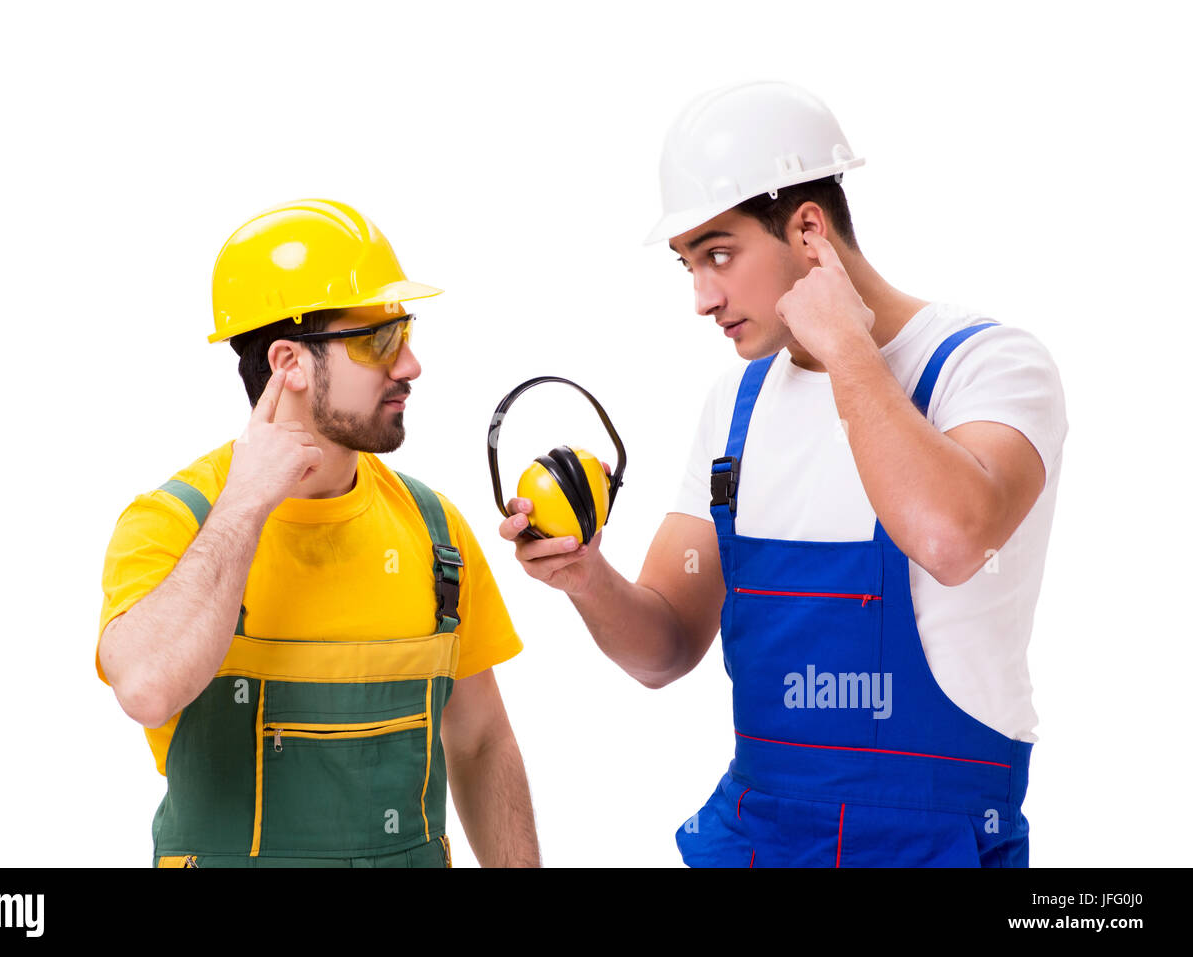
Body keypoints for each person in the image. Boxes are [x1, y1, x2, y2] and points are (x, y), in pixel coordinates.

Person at [498, 81, 1067, 867]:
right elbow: (664, 649)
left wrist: (847, 353)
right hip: (754, 839)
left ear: (808, 230)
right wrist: (585, 576)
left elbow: (950, 537)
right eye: (687, 265)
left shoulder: (988, 367)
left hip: (930, 842)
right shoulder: (738, 403)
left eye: (719, 255)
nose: (703, 298)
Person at [98, 198, 539, 868]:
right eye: (379, 340)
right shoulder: (174, 523)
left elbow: (479, 740)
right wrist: (246, 503)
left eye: (405, 333)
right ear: (289, 364)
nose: (410, 366)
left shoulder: (434, 530)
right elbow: (146, 687)